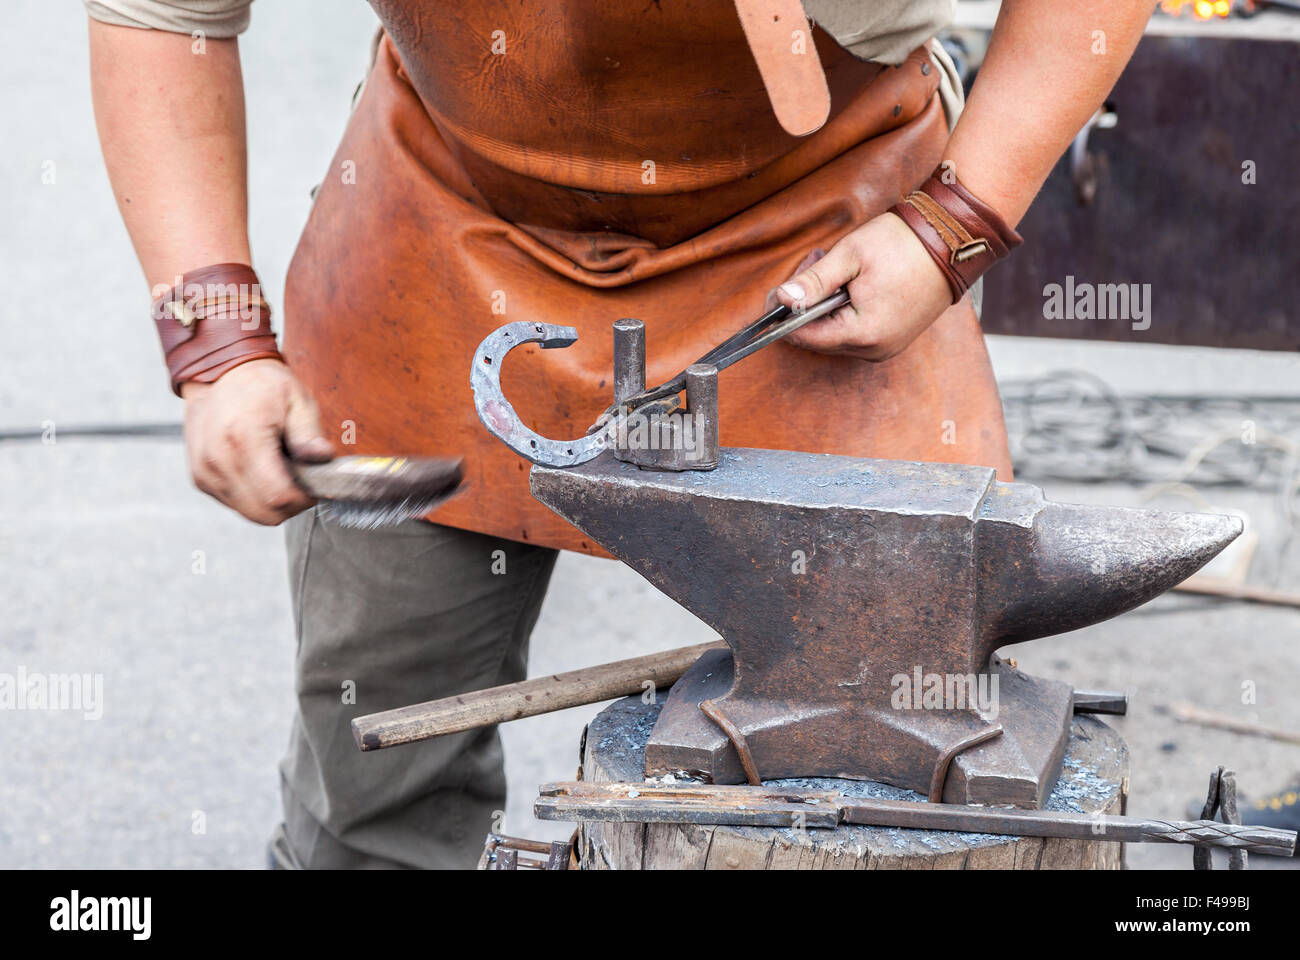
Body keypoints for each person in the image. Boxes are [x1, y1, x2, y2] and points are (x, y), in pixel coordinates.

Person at [86, 0, 1156, 868]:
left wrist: (952, 225)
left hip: (823, 245)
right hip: (444, 218)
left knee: (891, 774)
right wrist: (217, 347)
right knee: (374, 789)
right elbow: (160, 11)